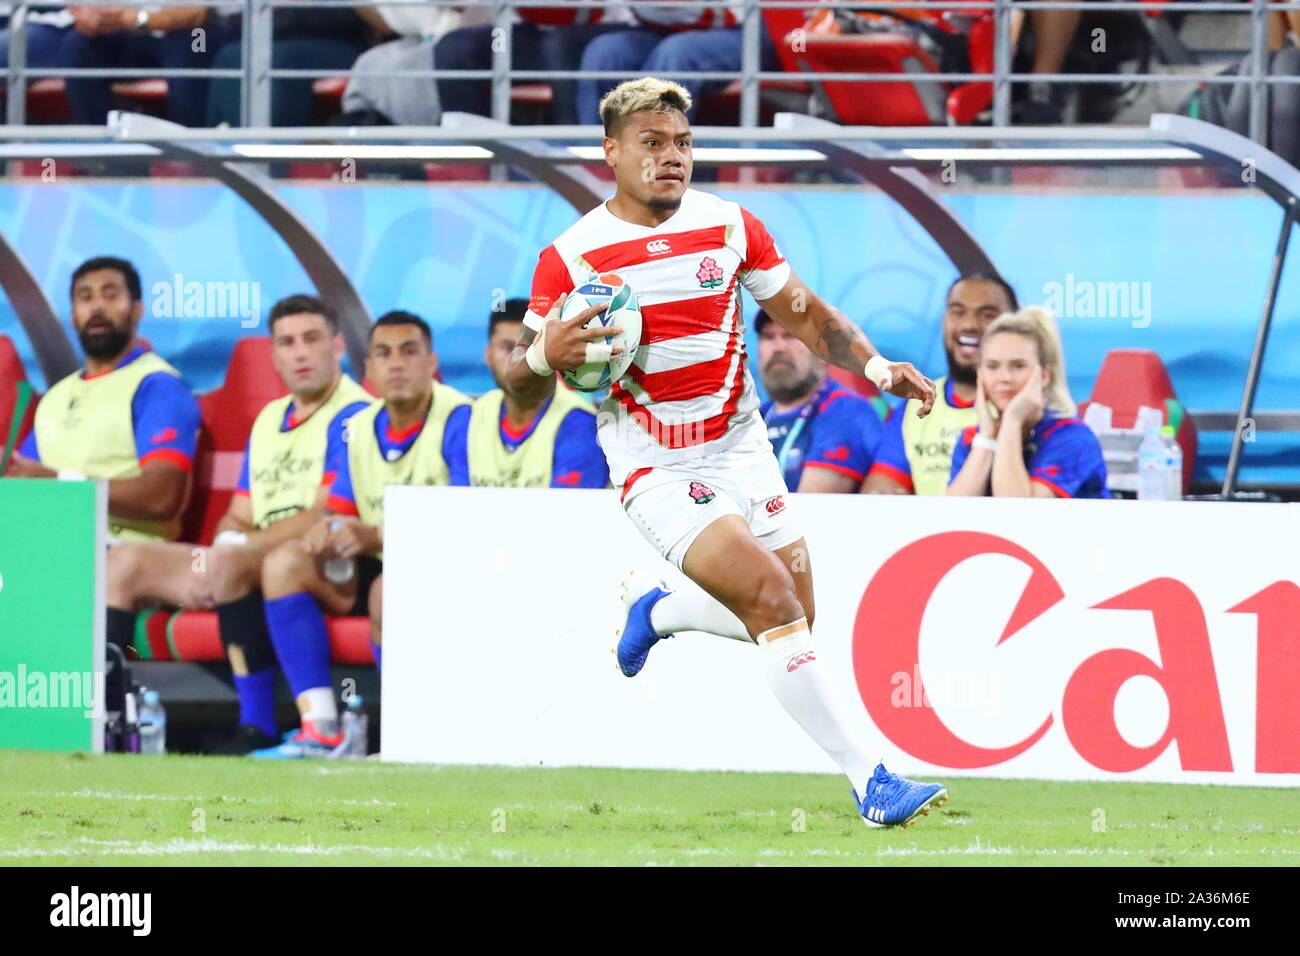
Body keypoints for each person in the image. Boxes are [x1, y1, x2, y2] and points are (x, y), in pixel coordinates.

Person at [509, 76, 947, 827]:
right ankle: (871, 780)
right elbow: (519, 389)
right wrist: (545, 353)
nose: (671, 157)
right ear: (610, 153)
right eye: (652, 143)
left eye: (682, 143)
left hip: (743, 446)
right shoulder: (573, 256)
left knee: (794, 616)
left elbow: (807, 317)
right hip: (654, 462)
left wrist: (877, 368)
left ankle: (661, 610)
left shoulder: (730, 225)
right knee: (772, 601)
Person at [102, 295, 374, 754]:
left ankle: (257, 724)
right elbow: (239, 513)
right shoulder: (270, 417)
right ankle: (102, 719)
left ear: (338, 346)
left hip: (329, 560)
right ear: (274, 355)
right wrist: (225, 544)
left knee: (245, 563)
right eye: (287, 343)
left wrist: (236, 553)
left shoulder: (355, 414)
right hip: (251, 553)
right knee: (127, 561)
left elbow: (327, 513)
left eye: (311, 339)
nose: (300, 353)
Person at [251, 310, 470, 758]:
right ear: (367, 369)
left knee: (386, 592)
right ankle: (322, 726)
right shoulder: (358, 428)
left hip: (446, 564)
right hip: (376, 560)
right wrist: (330, 532)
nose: (396, 364)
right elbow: (339, 511)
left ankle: (410, 737)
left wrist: (375, 536)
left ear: (431, 363)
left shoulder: (460, 418)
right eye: (383, 354)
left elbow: (464, 520)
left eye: (409, 352)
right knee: (284, 563)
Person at [5, 256, 199, 544]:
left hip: (120, 552)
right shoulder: (56, 397)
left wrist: (60, 483)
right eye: (85, 298)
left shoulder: (158, 386)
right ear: (73, 315)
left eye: (110, 295)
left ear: (137, 310)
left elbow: (161, 498)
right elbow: (25, 480)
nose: (96, 306)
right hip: (47, 543)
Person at [863, 272, 1018, 496]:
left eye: (987, 314)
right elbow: (880, 491)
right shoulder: (915, 403)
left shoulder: (1024, 407)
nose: (969, 324)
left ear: (1015, 325)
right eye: (957, 312)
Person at [947, 307, 1109, 498]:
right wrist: (987, 437)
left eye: (1018, 366)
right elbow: (954, 515)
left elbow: (1021, 517)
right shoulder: (972, 438)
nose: (1005, 377)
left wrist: (1012, 421)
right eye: (992, 366)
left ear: (1044, 376)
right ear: (980, 375)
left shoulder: (1072, 437)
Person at [457, 298, 608, 489]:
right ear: (488, 355)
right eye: (507, 347)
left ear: (549, 352)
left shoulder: (580, 422)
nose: (517, 359)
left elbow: (569, 516)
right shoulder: (468, 418)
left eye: (529, 347)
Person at [577, 2, 778, 124]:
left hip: (741, 29)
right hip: (663, 29)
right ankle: (598, 164)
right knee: (605, 52)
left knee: (675, 54)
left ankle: (654, 164)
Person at [755, 309, 884, 493]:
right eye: (768, 337)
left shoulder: (845, 411)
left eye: (791, 335)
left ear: (822, 351)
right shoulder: (754, 416)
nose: (778, 347)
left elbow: (812, 511)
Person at [57, 4, 229, 127]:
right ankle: (102, 155)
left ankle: (191, 158)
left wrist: (138, 18)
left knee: (190, 47)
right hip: (132, 30)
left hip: (200, 30)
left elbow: (197, 11)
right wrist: (91, 14)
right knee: (78, 46)